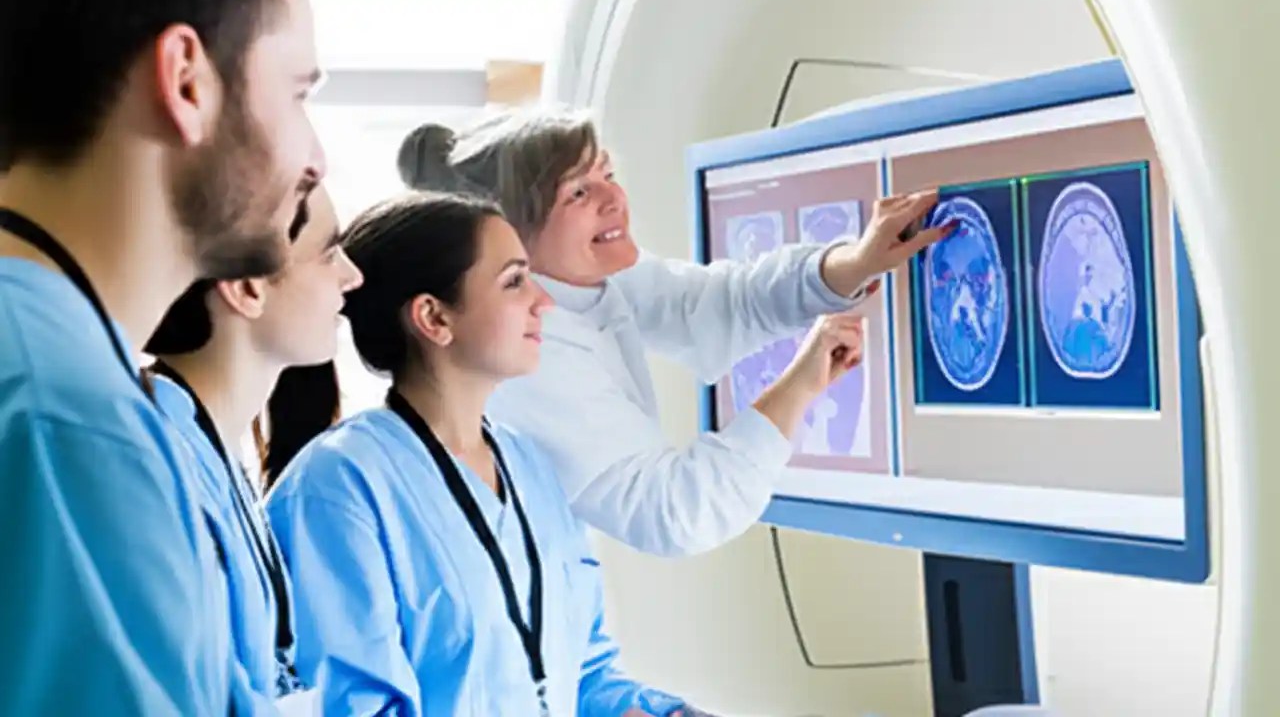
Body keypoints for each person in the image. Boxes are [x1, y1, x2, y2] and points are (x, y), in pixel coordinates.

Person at [263, 192, 769, 716]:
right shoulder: (338, 488)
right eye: (514, 282)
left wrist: (667, 713)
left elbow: (579, 676)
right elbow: (354, 706)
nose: (543, 301)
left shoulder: (528, 467)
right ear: (434, 317)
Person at [396, 109, 951, 556]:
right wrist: (800, 385)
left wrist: (851, 264)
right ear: (511, 235)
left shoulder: (587, 278)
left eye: (607, 174)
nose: (614, 199)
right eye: (578, 194)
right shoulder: (524, 359)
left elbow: (715, 303)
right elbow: (674, 512)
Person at [0, 0, 326, 712]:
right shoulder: (70, 416)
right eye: (298, 94)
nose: (315, 159)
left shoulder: (54, 365)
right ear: (186, 82)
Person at [144, 187, 362, 714]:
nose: (352, 276)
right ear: (246, 287)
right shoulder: (157, 464)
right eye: (329, 253)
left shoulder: (210, 448)